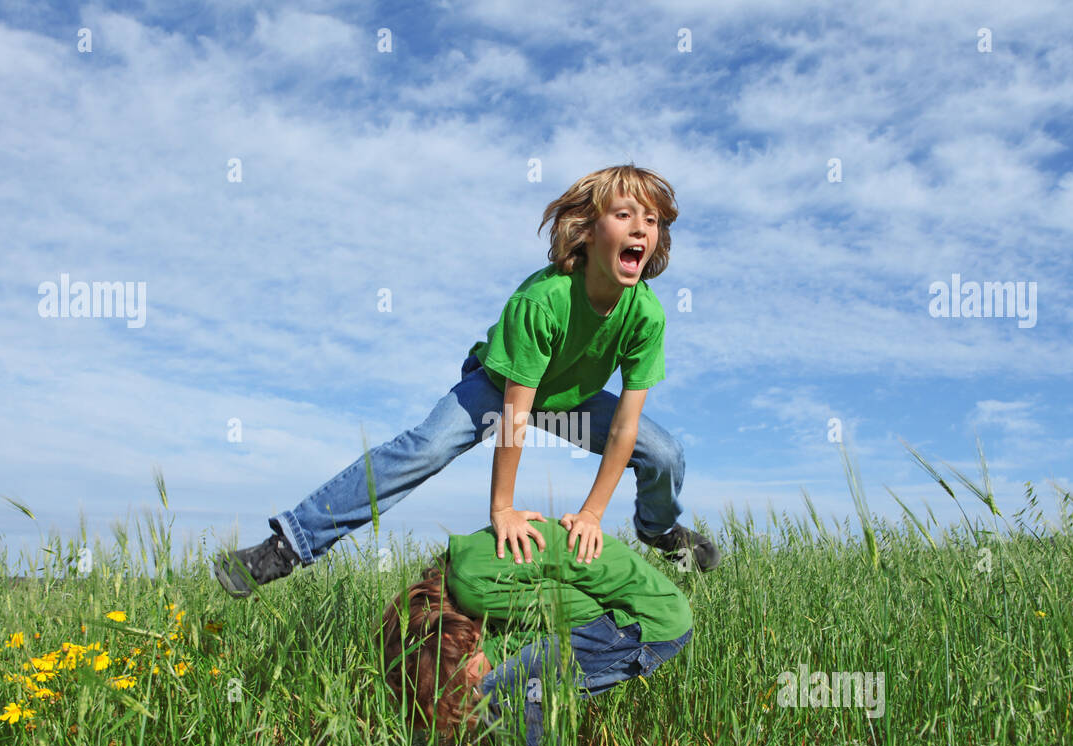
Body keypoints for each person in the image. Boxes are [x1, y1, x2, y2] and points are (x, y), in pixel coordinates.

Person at [214, 164, 719, 598]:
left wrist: (591, 513)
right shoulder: (542, 301)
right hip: (501, 387)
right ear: (587, 229)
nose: (640, 229)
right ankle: (288, 544)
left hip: (571, 399)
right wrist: (502, 508)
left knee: (665, 452)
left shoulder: (646, 315)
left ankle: (658, 530)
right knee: (425, 449)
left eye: (650, 220)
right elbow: (516, 415)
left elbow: (624, 427)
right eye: (624, 214)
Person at [382, 517, 695, 746]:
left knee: (501, 694)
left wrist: (496, 653)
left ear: (453, 642)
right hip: (639, 610)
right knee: (511, 694)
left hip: (645, 620)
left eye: (455, 679)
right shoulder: (466, 569)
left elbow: (574, 611)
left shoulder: (472, 586)